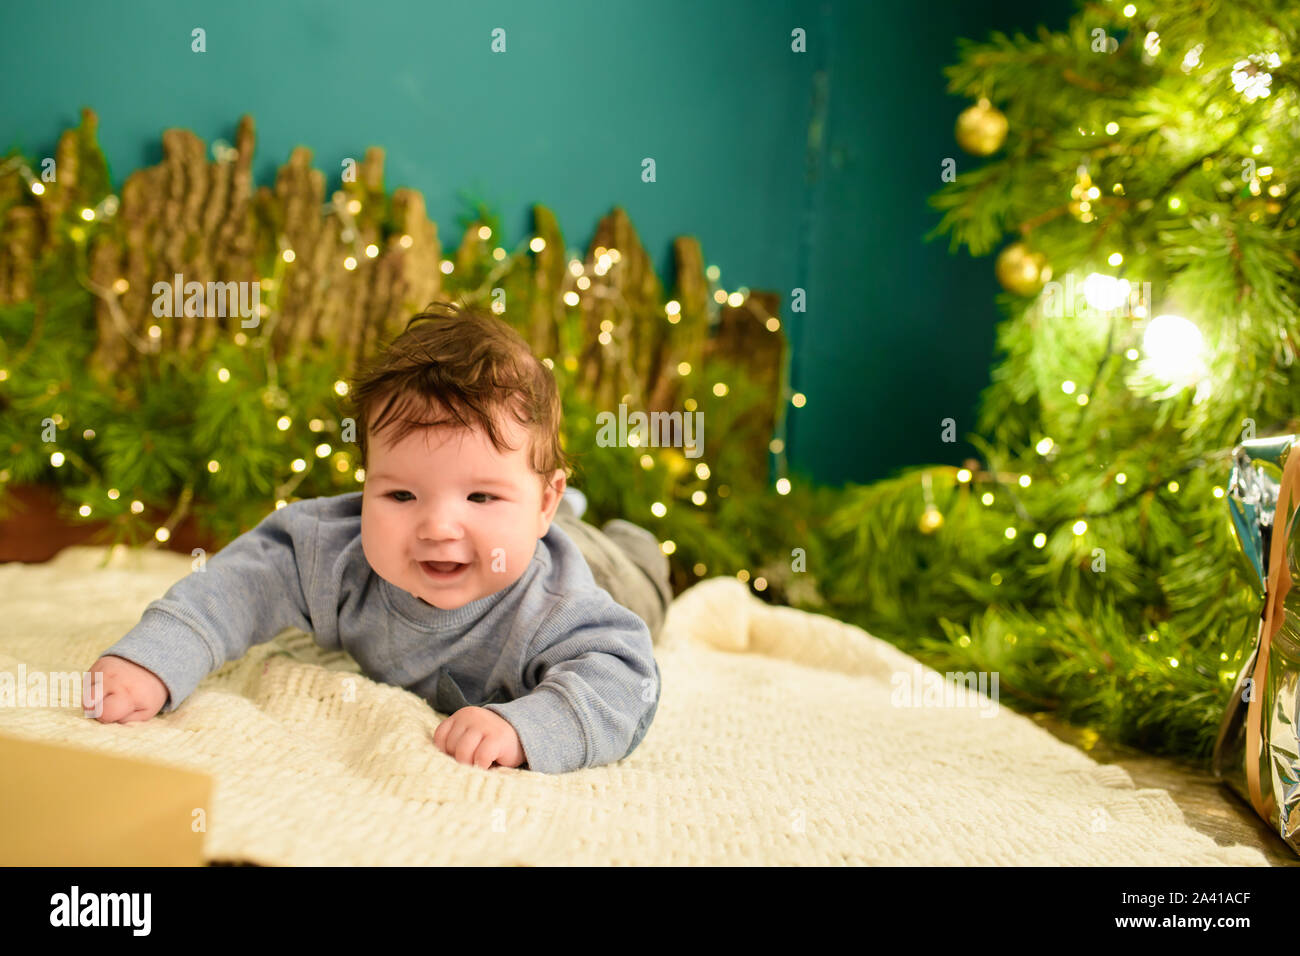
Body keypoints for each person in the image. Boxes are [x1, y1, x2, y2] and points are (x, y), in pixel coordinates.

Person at [87, 301, 672, 774]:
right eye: (400, 496)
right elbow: (243, 583)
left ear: (540, 501)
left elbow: (626, 679)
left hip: (607, 565)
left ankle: (611, 534)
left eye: (480, 496)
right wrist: (156, 659)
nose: (437, 529)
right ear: (366, 486)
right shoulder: (331, 552)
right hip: (534, 519)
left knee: (639, 575)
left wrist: (529, 726)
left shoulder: (558, 608)